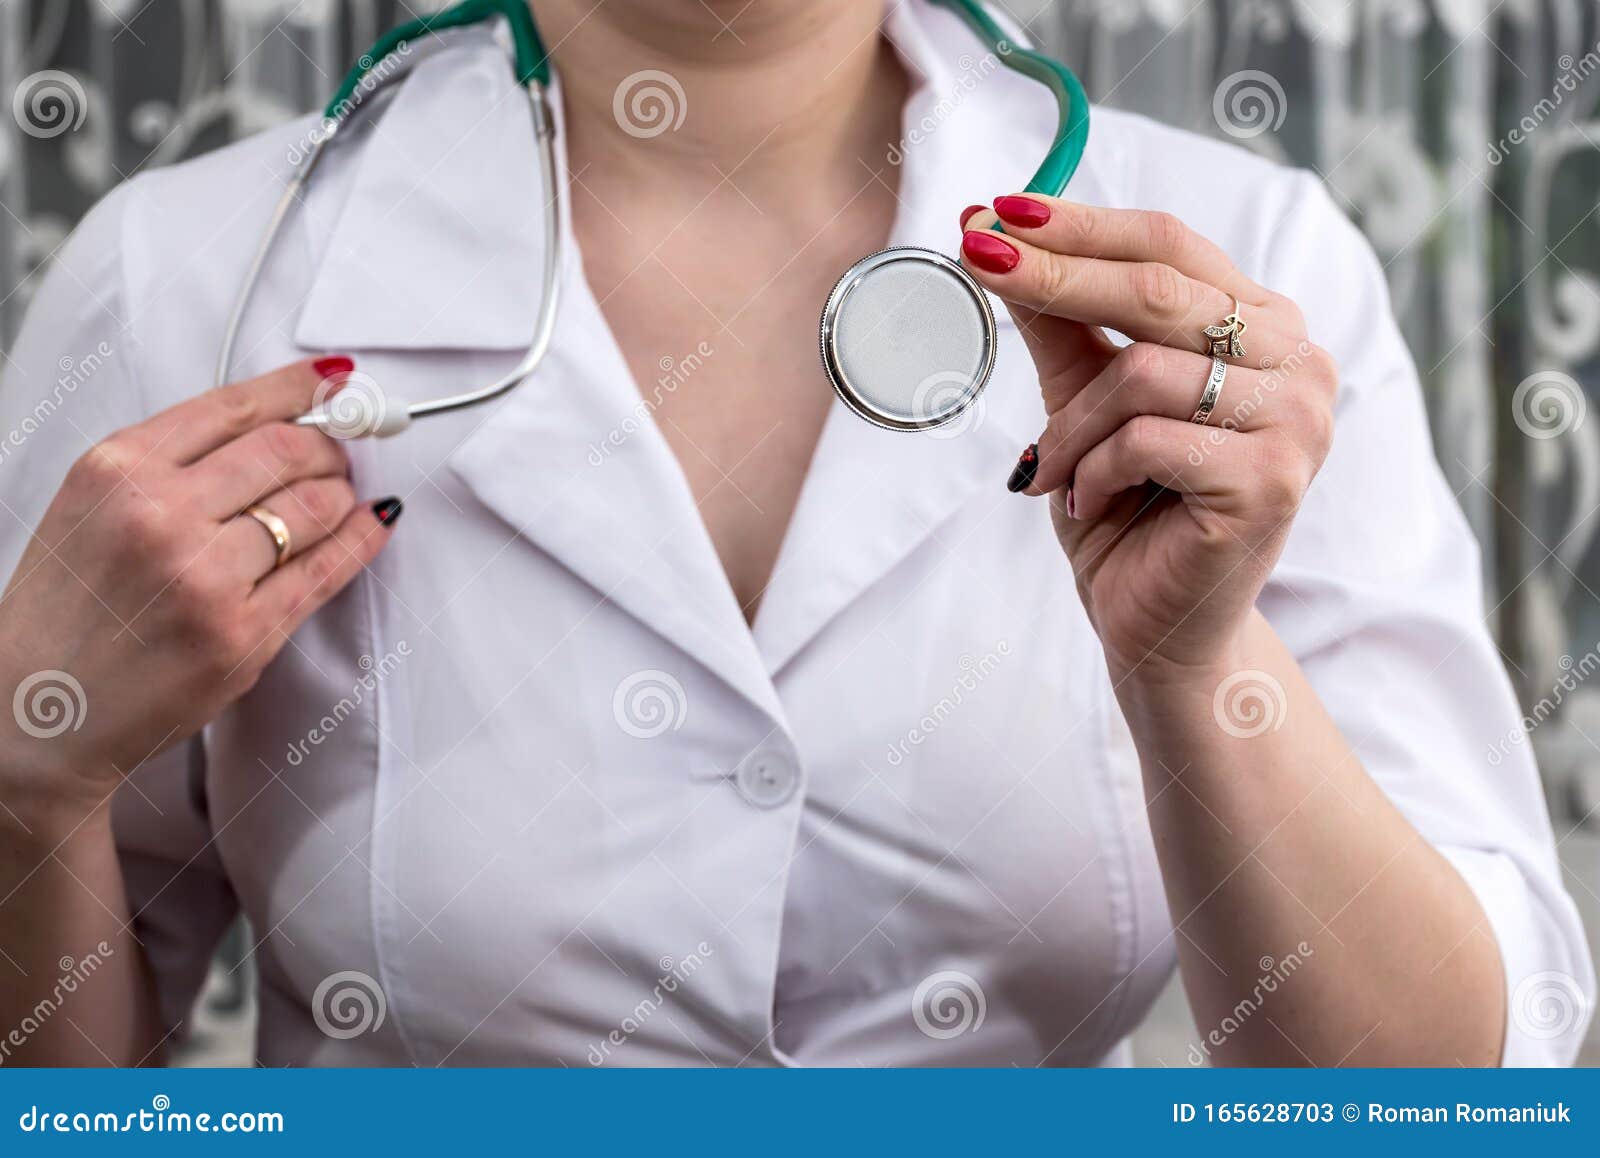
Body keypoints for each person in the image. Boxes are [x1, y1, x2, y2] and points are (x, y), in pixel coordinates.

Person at [0, 0, 1590, 1067]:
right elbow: (67, 1100)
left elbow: (1441, 1094)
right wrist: (29, 773)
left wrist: (1199, 670)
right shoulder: (191, 281)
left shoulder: (1240, 287)